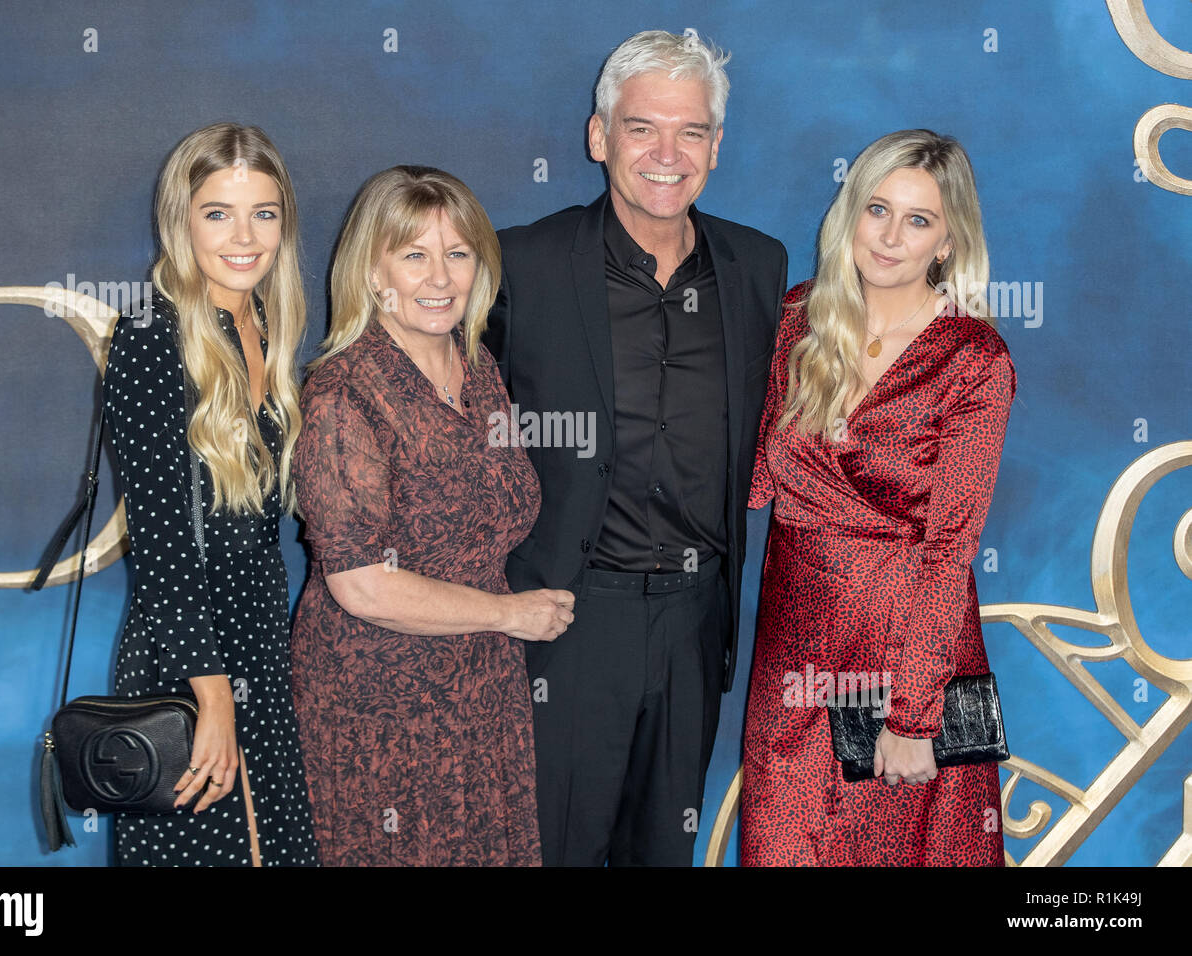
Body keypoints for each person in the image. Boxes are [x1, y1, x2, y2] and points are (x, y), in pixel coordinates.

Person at [483, 30, 787, 866]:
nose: (666, 153)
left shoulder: (759, 268)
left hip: (696, 624)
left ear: (716, 148)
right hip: (569, 621)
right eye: (641, 127)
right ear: (598, 136)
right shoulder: (523, 264)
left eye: (690, 132)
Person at [739, 129, 1016, 866]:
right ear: (849, 213)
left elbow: (951, 546)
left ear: (948, 240)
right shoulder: (800, 320)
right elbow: (754, 482)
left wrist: (915, 713)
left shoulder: (973, 359)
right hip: (793, 657)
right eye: (878, 209)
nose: (891, 237)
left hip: (905, 653)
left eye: (918, 220)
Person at [290, 165, 573, 866]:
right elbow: (362, 586)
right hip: (381, 698)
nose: (440, 276)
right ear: (371, 269)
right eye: (414, 255)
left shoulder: (474, 364)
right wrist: (511, 614)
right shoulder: (342, 394)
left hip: (480, 683)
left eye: (458, 253)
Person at [103, 122, 318, 865]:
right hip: (187, 652)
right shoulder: (148, 333)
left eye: (264, 212)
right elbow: (161, 550)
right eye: (217, 213)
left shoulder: (262, 319)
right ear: (180, 219)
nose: (244, 236)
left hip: (259, 636)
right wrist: (213, 698)